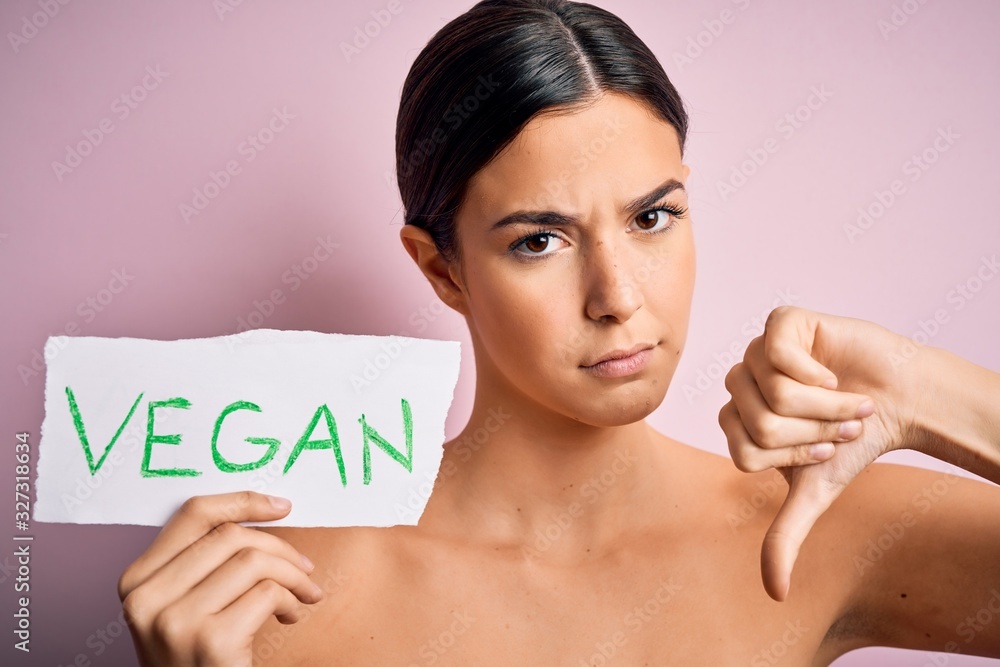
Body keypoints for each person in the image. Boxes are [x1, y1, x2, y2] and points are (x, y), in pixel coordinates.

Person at [116, 0, 1000, 664]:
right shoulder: (279, 598)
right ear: (441, 268)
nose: (617, 295)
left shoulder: (812, 529)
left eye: (654, 218)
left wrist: (934, 394)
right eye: (540, 240)